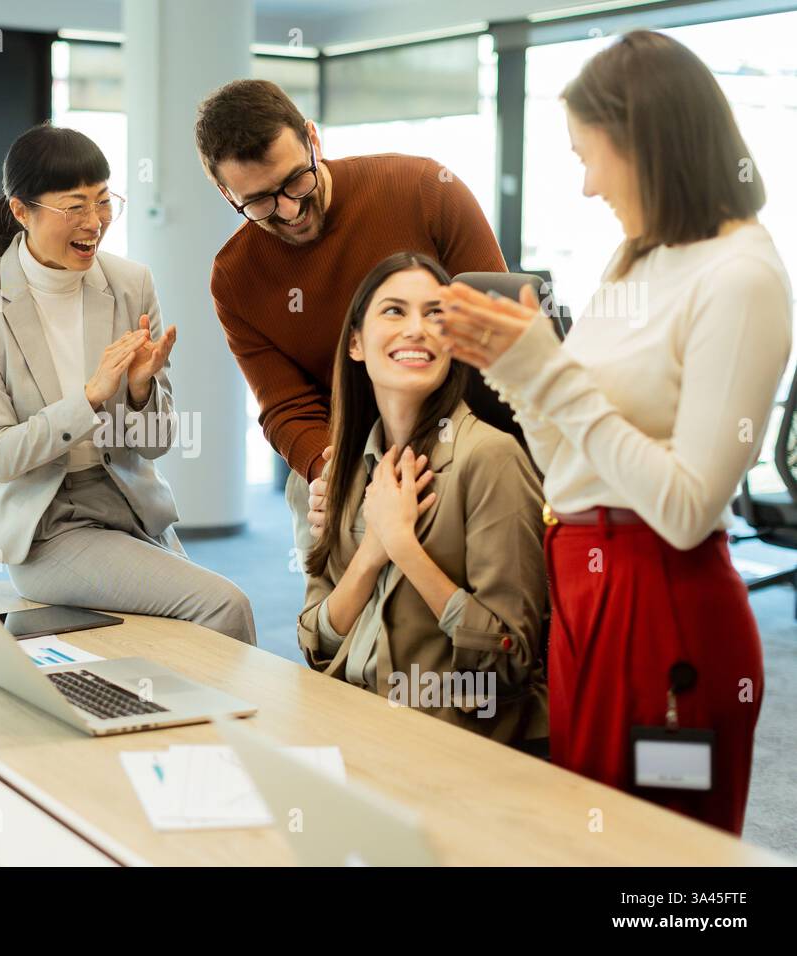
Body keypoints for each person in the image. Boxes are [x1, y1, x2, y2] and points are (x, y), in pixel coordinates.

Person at [435, 31, 791, 832]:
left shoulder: (743, 277)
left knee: (659, 864)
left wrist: (547, 371)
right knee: (590, 834)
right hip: (584, 584)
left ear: (648, 145)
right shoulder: (636, 260)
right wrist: (516, 372)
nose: (589, 186)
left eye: (591, 156)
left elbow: (689, 507)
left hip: (661, 599)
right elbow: (570, 463)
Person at [0, 122, 256, 645]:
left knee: (194, 628)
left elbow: (154, 445)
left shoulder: (131, 284)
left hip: (133, 512)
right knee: (224, 605)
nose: (96, 222)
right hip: (49, 526)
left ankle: (180, 723)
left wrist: (138, 392)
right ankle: (231, 729)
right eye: (75, 207)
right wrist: (88, 399)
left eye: (104, 201)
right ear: (21, 211)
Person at [193, 79, 508, 565]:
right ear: (224, 192)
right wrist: (331, 472)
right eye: (258, 203)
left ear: (314, 140)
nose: (291, 211)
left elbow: (495, 331)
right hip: (346, 447)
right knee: (325, 559)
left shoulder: (425, 190)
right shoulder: (236, 277)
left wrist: (444, 449)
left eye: (297, 180)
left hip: (457, 427)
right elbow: (286, 406)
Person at [300, 252, 548, 746]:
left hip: (445, 738)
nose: (417, 329)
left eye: (436, 314)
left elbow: (508, 658)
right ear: (355, 343)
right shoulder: (344, 467)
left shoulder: (491, 458)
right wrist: (372, 554)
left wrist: (403, 546)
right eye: (394, 311)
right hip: (347, 716)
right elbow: (316, 642)